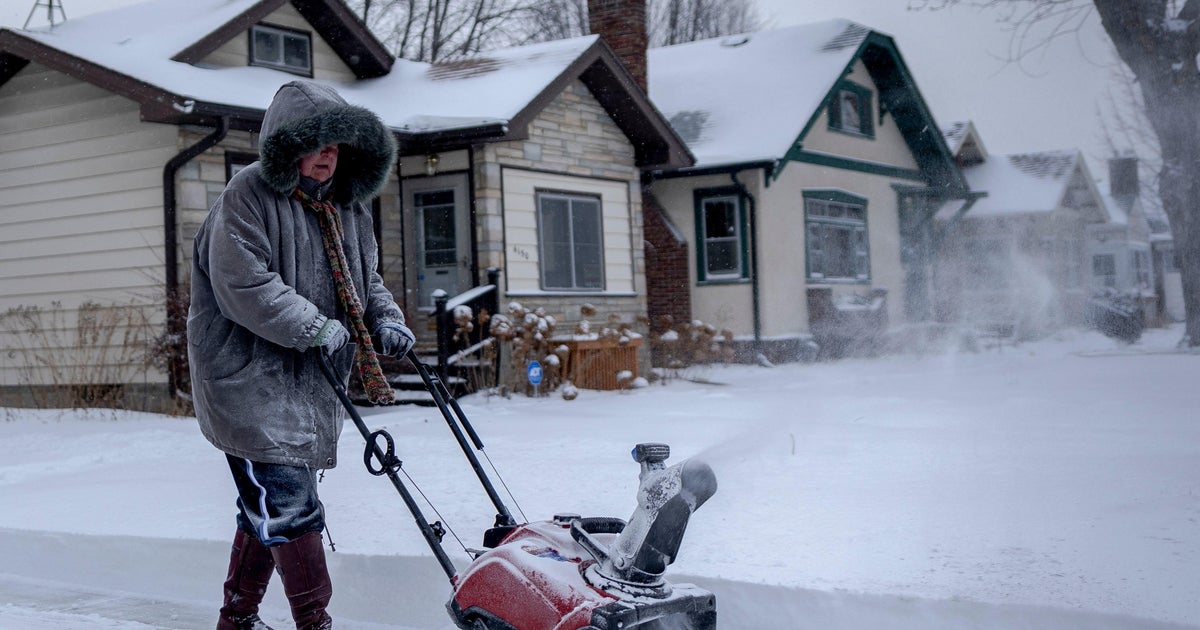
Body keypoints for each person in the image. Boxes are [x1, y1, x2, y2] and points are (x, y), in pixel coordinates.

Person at [188, 80, 416, 630]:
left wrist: (385, 320)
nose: (325, 157)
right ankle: (315, 622)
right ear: (287, 148)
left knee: (266, 507)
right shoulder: (246, 196)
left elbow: (365, 282)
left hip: (309, 384)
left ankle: (236, 619)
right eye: (314, 145)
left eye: (335, 146)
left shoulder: (348, 206)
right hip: (249, 383)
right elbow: (243, 284)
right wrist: (314, 326)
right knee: (291, 506)